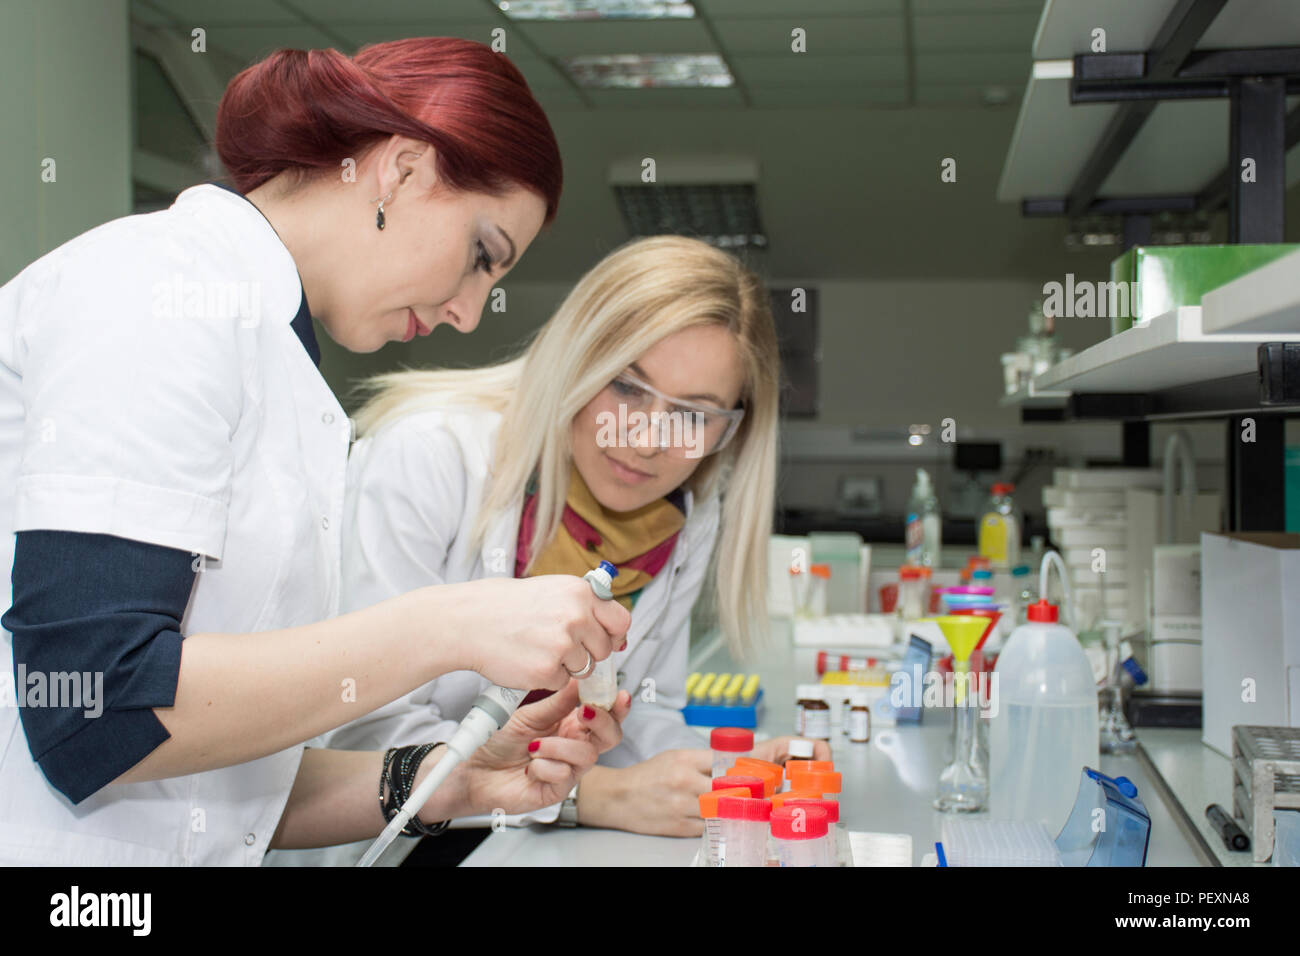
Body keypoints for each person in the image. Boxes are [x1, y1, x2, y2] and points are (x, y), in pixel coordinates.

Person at [0, 38, 630, 866]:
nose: (471, 314)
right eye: (483, 255)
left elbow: (200, 787)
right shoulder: (158, 288)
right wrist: (452, 623)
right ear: (401, 171)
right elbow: (95, 712)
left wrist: (459, 780)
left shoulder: (270, 355)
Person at [290, 236, 829, 865]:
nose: (648, 440)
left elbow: (637, 708)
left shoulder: (685, 513)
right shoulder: (430, 457)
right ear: (576, 361)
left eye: (694, 414)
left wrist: (730, 769)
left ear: (733, 430)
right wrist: (590, 795)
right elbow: (358, 730)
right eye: (627, 388)